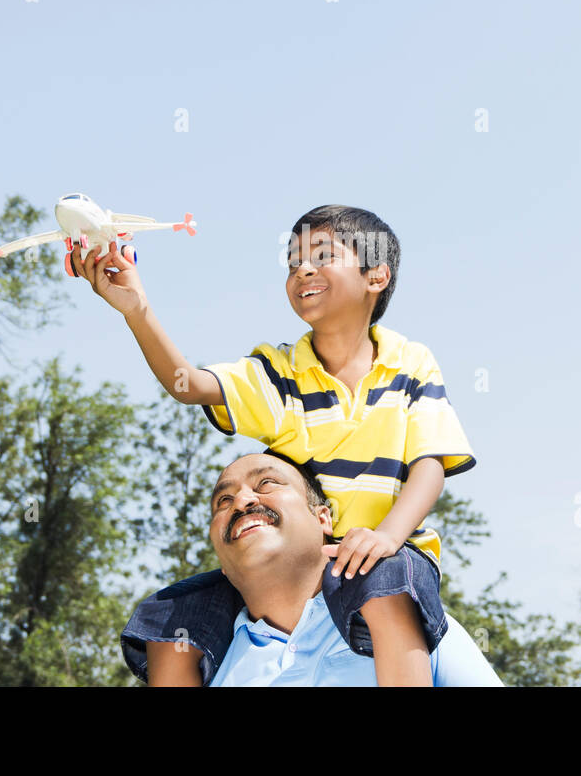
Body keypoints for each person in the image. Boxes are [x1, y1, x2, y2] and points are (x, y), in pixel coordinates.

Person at [69, 204, 476, 685]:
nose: (302, 269)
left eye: (322, 255)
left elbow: (429, 464)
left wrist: (387, 536)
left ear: (377, 276)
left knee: (384, 581)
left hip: (387, 553)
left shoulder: (411, 363)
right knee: (174, 613)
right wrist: (136, 307)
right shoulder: (280, 375)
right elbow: (188, 385)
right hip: (298, 565)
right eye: (292, 262)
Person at [207, 452, 500, 685]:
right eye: (223, 501)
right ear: (221, 559)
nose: (242, 501)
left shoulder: (412, 621)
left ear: (323, 519)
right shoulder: (210, 669)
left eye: (266, 484)